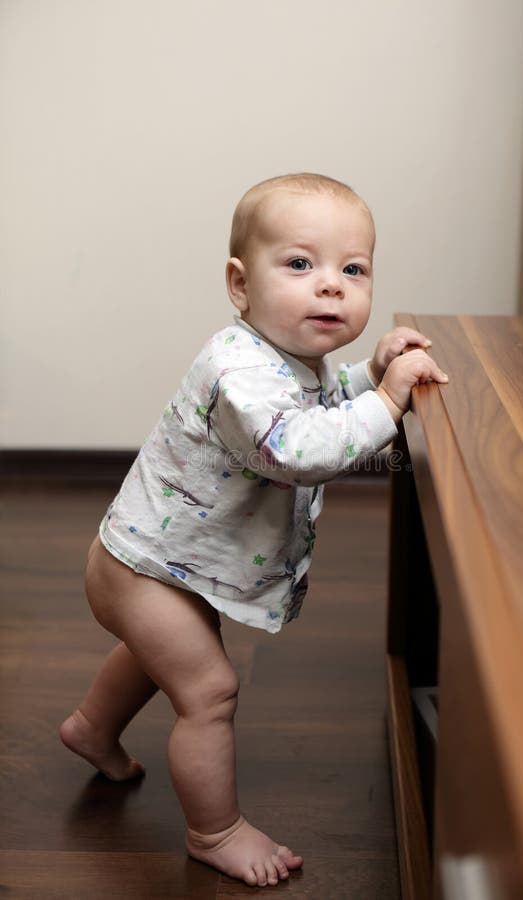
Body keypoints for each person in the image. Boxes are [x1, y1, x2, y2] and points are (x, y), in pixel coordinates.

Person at [59, 173, 449, 888]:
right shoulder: (237, 370)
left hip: (168, 561)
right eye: (300, 264)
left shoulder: (289, 359)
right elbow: (301, 450)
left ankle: (91, 728)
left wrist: (372, 373)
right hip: (142, 568)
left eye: (352, 269)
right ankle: (216, 831)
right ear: (240, 286)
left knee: (159, 655)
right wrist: (392, 404)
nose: (331, 286)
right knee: (208, 691)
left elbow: (322, 404)